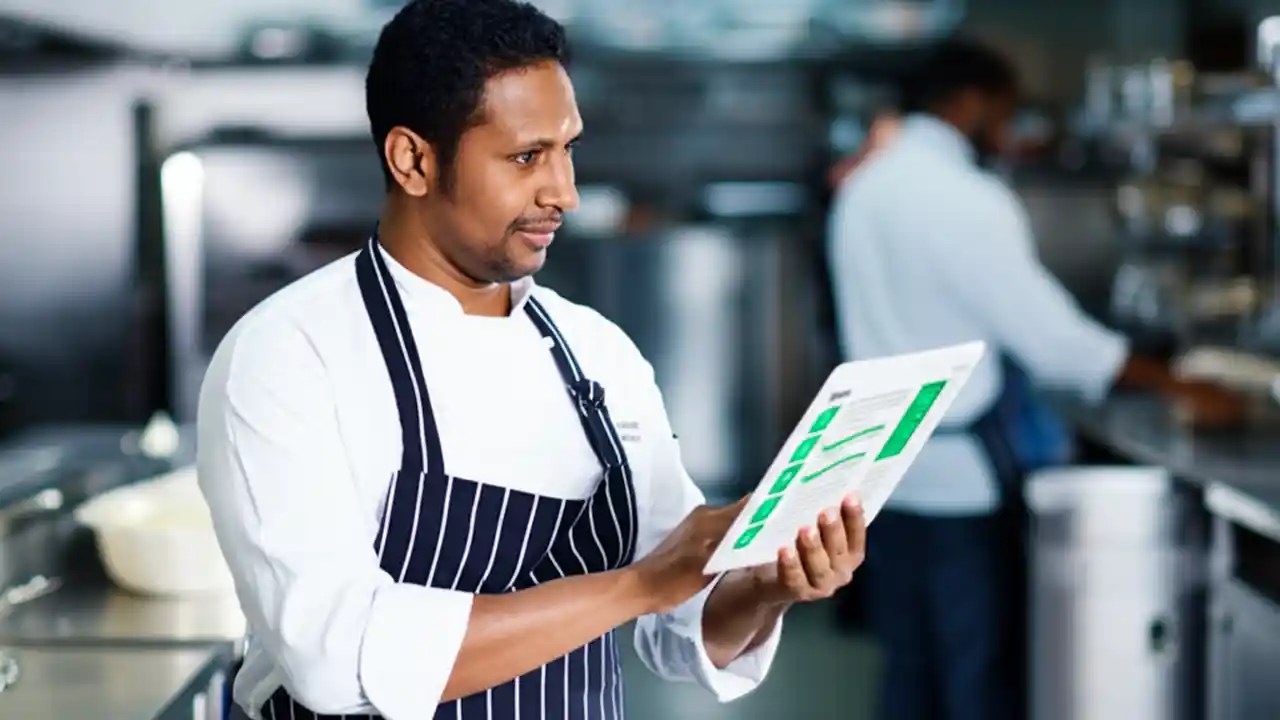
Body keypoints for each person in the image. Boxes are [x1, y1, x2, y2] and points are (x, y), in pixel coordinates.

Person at [197, 2, 868, 719]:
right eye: (526, 157)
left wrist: (767, 585)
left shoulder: (597, 354)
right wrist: (637, 586)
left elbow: (682, 625)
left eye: (567, 149)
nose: (565, 193)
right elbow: (335, 661)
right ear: (413, 160)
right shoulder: (290, 355)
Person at [826, 39, 1243, 720]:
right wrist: (1179, 386)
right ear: (967, 101)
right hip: (961, 486)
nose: (1008, 128)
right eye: (1003, 111)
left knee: (909, 670)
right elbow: (1053, 342)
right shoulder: (965, 196)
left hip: (879, 473)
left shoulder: (865, 186)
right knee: (975, 677)